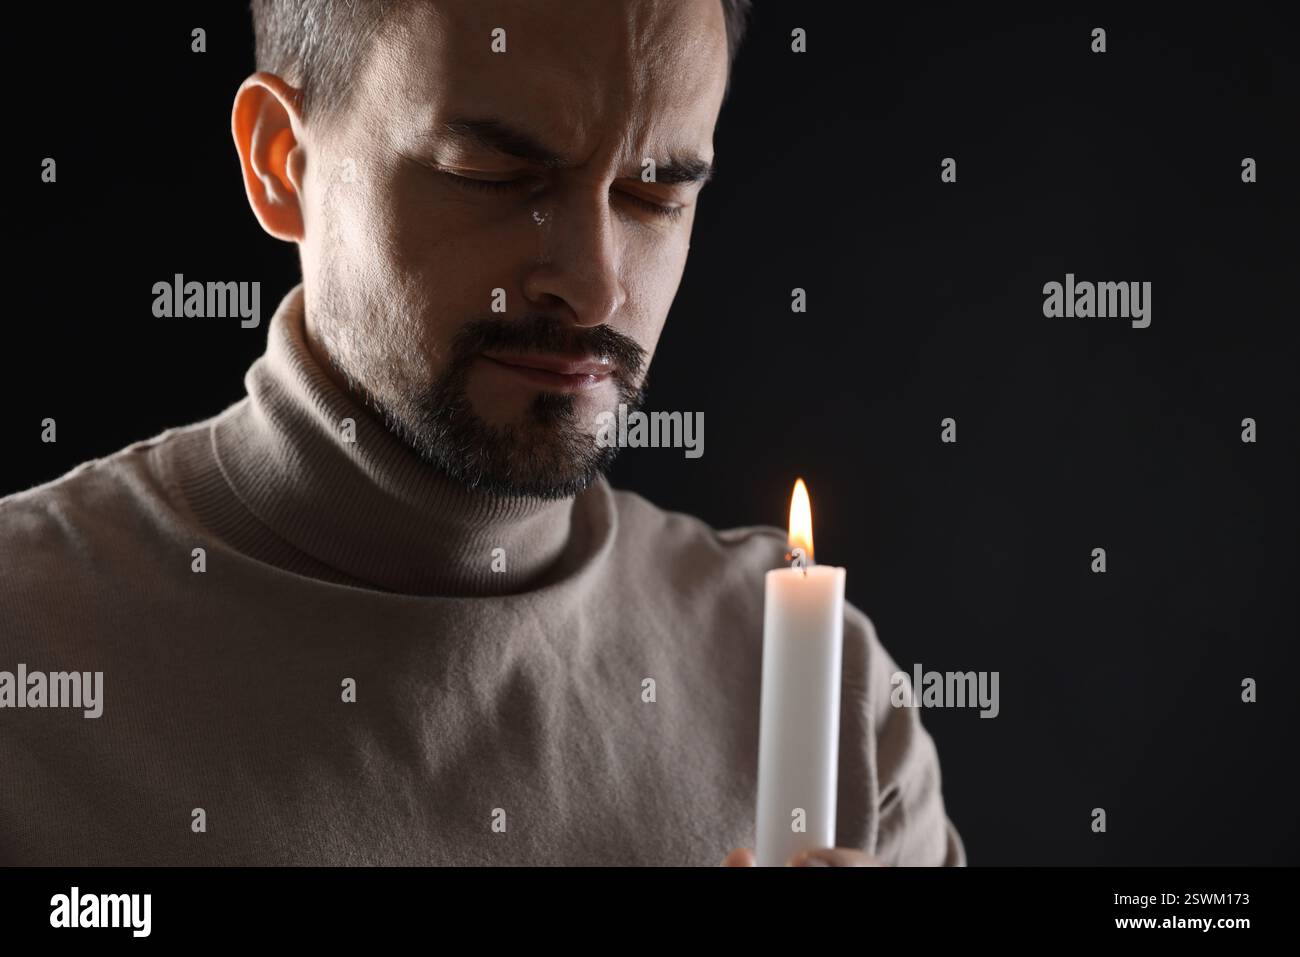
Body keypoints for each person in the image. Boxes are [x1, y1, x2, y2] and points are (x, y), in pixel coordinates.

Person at [0, 0, 964, 866]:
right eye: (497, 173)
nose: (593, 285)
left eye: (656, 192)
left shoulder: (823, 696)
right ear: (281, 163)